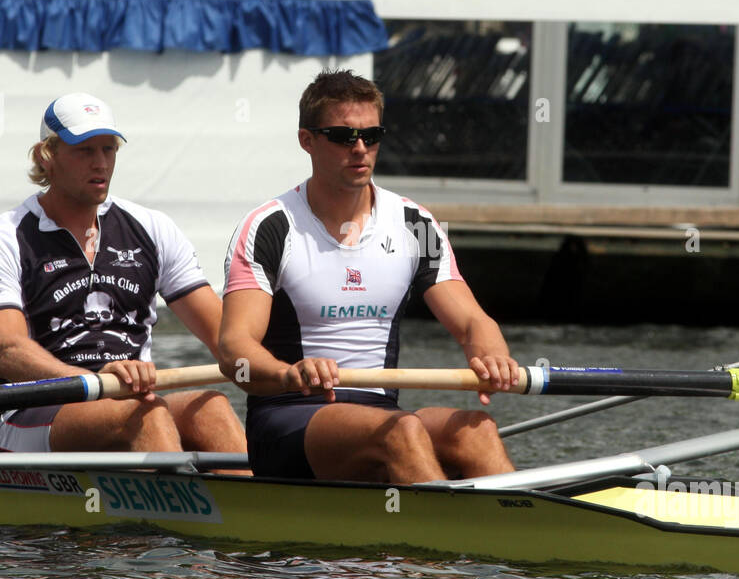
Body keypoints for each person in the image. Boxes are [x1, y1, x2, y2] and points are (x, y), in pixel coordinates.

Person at [218, 70, 519, 484]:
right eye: (343, 136)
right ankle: (443, 523)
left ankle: (523, 521)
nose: (360, 148)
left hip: (381, 415)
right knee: (402, 430)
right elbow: (234, 349)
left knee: (477, 430)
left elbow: (472, 322)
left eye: (372, 135)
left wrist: (492, 357)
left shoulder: (415, 223)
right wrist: (288, 373)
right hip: (289, 415)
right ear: (307, 140)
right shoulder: (269, 227)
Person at [0, 92, 246, 458]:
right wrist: (93, 383)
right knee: (145, 416)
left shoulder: (152, 229)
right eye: (84, 151)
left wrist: (289, 369)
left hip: (132, 402)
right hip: (34, 409)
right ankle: (171, 491)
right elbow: (8, 352)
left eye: (108, 149)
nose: (100, 163)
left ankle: (250, 493)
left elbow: (227, 338)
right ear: (45, 156)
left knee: (212, 408)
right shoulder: (0, 240)